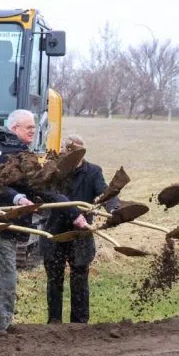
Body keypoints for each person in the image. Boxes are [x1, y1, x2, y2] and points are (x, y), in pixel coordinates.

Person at [43, 134, 114, 324]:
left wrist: (115, 209)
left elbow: (105, 193)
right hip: (56, 232)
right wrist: (74, 214)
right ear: (64, 152)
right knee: (54, 280)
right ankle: (55, 322)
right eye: (70, 151)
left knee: (80, 278)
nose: (74, 156)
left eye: (78, 153)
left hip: (81, 235)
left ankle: (80, 324)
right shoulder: (53, 171)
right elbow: (52, 195)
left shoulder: (93, 172)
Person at [0, 109, 38, 335]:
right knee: (6, 278)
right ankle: (3, 330)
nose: (33, 131)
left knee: (7, 276)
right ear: (15, 129)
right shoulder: (10, 152)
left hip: (10, 225)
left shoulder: (12, 148)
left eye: (34, 127)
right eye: (29, 128)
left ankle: (4, 325)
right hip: (1, 227)